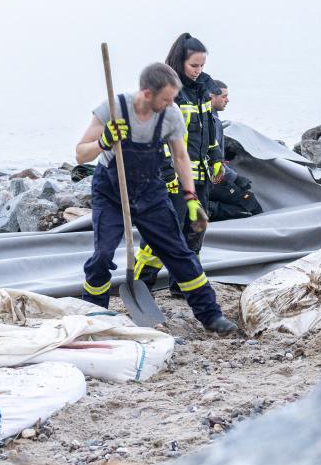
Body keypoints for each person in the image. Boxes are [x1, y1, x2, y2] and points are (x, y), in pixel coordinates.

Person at [74, 63, 237, 335]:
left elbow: (181, 157)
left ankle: (211, 315)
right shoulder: (115, 108)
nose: (171, 105)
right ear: (147, 93)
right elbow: (81, 154)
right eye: (166, 99)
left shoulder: (170, 115)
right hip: (111, 192)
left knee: (178, 252)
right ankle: (94, 313)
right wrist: (104, 141)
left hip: (150, 190)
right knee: (102, 255)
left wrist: (191, 198)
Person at [134, 34, 224, 290]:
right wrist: (167, 174)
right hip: (172, 179)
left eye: (202, 65)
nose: (198, 71)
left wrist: (216, 157)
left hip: (200, 176)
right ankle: (141, 286)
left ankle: (184, 285)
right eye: (193, 65)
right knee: (161, 235)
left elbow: (209, 127)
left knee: (196, 230)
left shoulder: (204, 89)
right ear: (179, 61)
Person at [206, 79, 264, 221]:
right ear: (211, 97)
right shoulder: (212, 121)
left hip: (201, 178)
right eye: (224, 96)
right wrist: (236, 178)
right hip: (211, 179)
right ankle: (208, 209)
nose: (228, 100)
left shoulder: (202, 116)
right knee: (250, 205)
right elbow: (211, 158)